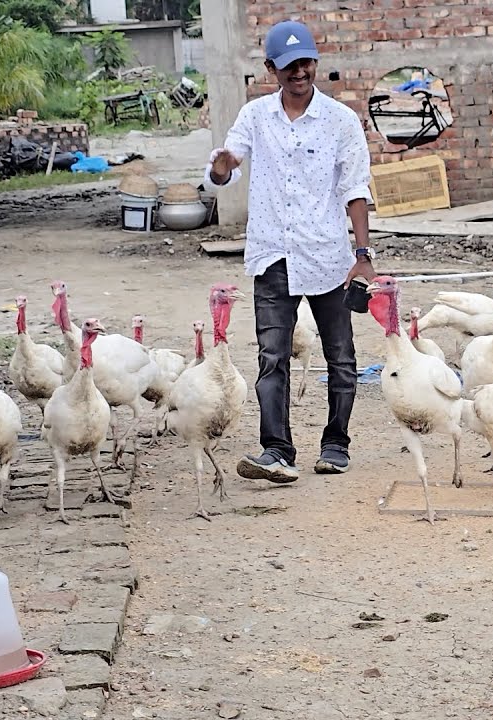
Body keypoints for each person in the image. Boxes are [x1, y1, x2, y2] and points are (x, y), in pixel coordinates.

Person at [203, 19, 375, 482]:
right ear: (271, 69)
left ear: (316, 62)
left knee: (341, 357)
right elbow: (228, 164)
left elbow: (355, 189)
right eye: (288, 65)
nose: (299, 72)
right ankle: (276, 451)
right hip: (273, 256)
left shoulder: (340, 121)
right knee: (272, 357)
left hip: (328, 259)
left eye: (305, 63)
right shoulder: (255, 116)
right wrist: (221, 169)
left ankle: (335, 444)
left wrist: (362, 253)